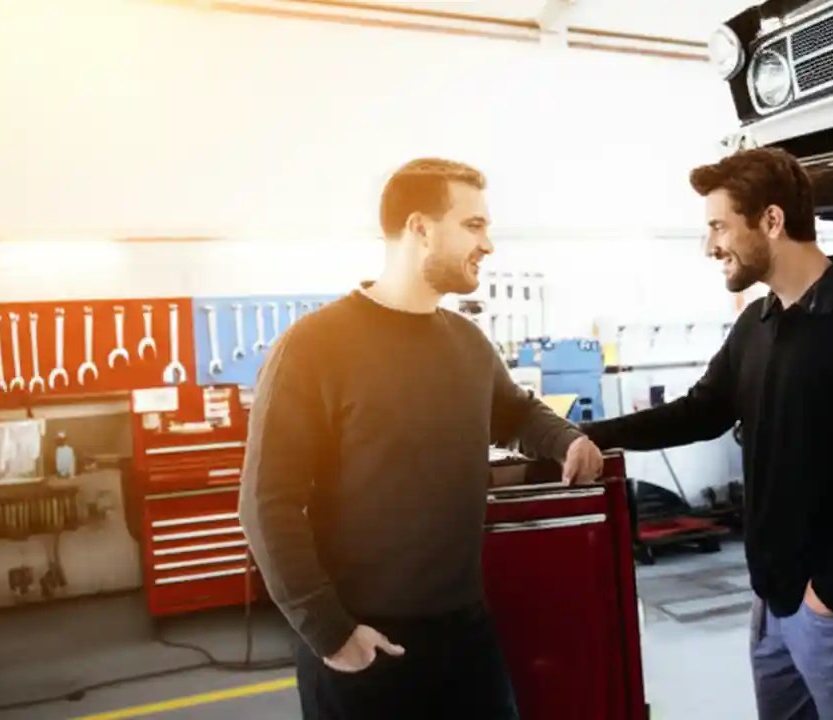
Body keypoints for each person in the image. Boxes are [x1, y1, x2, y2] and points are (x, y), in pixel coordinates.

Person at [579, 146, 833, 720]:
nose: (710, 246)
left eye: (718, 226)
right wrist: (589, 433)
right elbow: (700, 410)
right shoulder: (756, 325)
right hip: (773, 607)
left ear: (772, 221)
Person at [238, 157, 605, 720]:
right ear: (420, 228)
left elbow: (514, 413)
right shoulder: (314, 347)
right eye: (474, 225)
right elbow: (266, 502)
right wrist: (330, 632)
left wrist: (566, 440)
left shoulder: (465, 342)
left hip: (465, 637)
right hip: (364, 648)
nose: (489, 244)